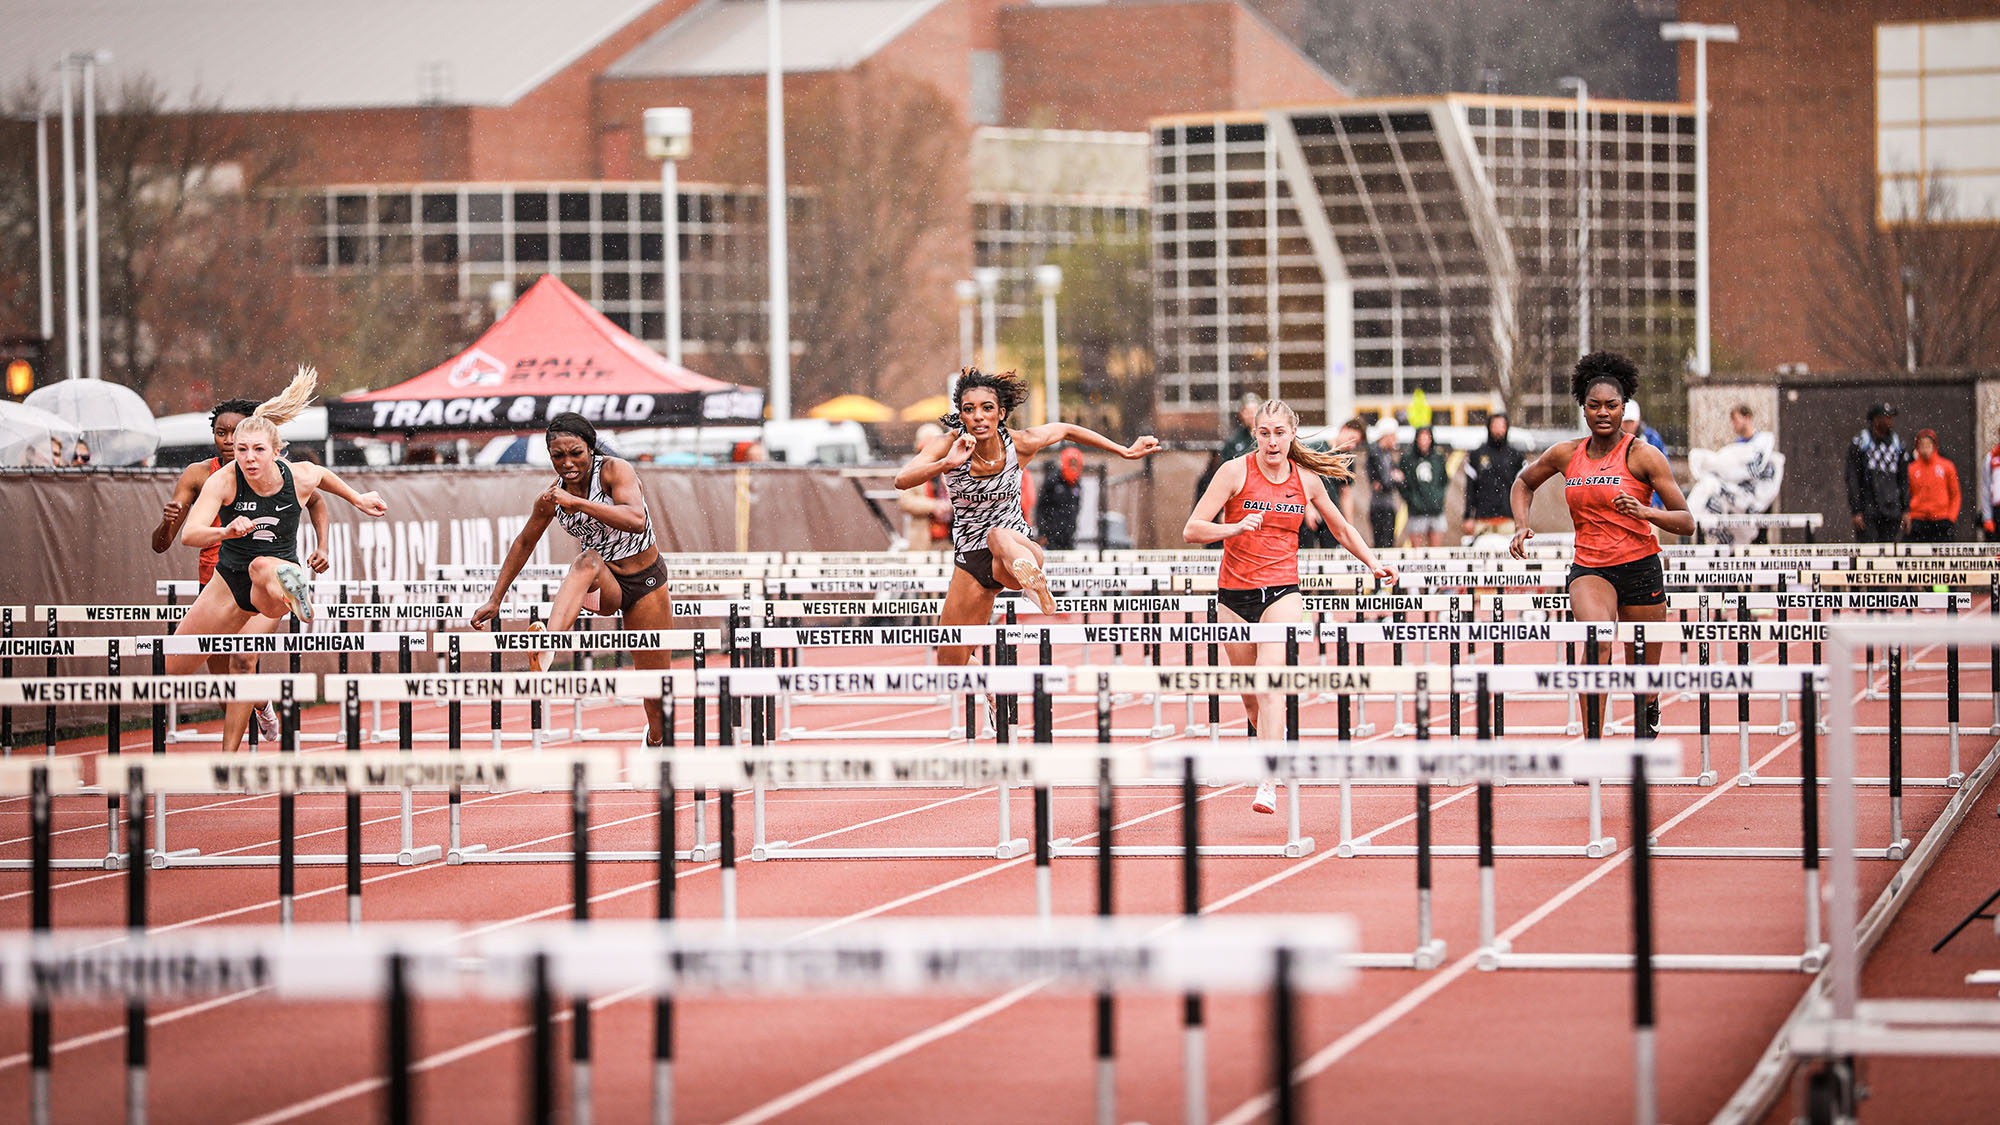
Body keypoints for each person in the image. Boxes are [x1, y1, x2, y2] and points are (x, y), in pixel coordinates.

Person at [1186, 399, 1398, 814]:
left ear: (1292, 435)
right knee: (1250, 698)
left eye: (1279, 433)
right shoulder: (1234, 472)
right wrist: (1235, 526)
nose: (1272, 441)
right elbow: (1192, 528)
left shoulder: (1307, 479)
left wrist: (1373, 563)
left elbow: (1341, 527)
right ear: (1255, 436)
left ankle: (1267, 778)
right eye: (1264, 433)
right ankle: (1276, 742)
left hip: (1283, 592)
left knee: (1269, 684)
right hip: (1233, 595)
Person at [894, 368, 1158, 669]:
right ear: (962, 416)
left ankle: (1033, 582)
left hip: (1017, 548)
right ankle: (988, 687)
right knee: (949, 662)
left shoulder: (1020, 443)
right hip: (970, 559)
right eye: (970, 410)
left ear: (1001, 413)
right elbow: (902, 480)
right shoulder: (948, 444)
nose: (978, 416)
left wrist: (1122, 450)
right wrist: (947, 462)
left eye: (987, 408)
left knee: (997, 535)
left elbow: (1066, 430)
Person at [163, 369, 389, 691]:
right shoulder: (220, 478)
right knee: (175, 670)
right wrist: (225, 532)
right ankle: (258, 706)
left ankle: (288, 590)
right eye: (239, 448)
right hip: (224, 576)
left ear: (276, 452)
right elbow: (187, 535)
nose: (247, 458)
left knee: (256, 601)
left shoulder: (295, 474)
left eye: (257, 450)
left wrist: (357, 499)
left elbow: (320, 479)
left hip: (269, 573)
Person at [1510, 352, 1693, 734]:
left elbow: (1686, 522)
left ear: (1624, 407)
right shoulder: (1565, 453)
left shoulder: (1645, 456)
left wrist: (1647, 514)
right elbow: (1523, 482)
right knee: (1596, 642)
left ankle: (1648, 707)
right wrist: (1521, 524)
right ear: (1583, 409)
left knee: (1642, 669)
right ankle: (1593, 741)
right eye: (1594, 406)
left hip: (1641, 566)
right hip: (1591, 568)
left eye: (1612, 405)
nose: (1603, 413)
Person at [472, 413, 676, 744]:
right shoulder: (552, 499)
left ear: (590, 449)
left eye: (575, 453)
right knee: (587, 560)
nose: (567, 463)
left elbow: (636, 519)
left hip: (645, 583)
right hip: (604, 583)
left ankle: (655, 741)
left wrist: (576, 501)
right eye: (558, 456)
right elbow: (524, 542)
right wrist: (496, 598)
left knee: (655, 692)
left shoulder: (614, 471)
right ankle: (549, 643)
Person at [152, 397, 331, 750]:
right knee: (219, 673)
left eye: (238, 433)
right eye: (223, 434)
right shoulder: (200, 475)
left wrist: (323, 546)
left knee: (243, 660)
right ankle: (260, 702)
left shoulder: (273, 468)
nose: (231, 441)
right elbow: (164, 543)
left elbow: (316, 498)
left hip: (262, 575)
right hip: (218, 581)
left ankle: (230, 758)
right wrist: (166, 522)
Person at [1845, 403, 1909, 543]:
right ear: (1875, 420)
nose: (1890, 421)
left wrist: (1905, 509)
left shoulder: (1897, 443)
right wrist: (1856, 510)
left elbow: (1903, 478)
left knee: (1889, 556)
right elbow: (1853, 478)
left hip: (1892, 510)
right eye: (1886, 417)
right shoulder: (1861, 443)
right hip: (1868, 510)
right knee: (1868, 555)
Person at [1300, 418, 1366, 550]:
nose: (1352, 445)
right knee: (1306, 553)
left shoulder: (1347, 459)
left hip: (1330, 512)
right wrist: (1309, 509)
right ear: (1344, 429)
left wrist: (1348, 524)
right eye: (1352, 439)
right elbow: (1300, 480)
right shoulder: (1316, 448)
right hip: (1308, 509)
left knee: (1330, 554)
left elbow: (1345, 493)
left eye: (1356, 443)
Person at [1462, 413, 1524, 540]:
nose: (1498, 430)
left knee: (1511, 556)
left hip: (1508, 519)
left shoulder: (1516, 456)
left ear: (1507, 428)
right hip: (1483, 519)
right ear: (1489, 428)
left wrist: (1522, 518)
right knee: (1481, 557)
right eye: (1495, 425)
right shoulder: (1477, 455)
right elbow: (1470, 489)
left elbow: (1523, 489)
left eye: (1502, 426)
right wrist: (1468, 517)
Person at [898, 423, 954, 552]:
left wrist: (951, 505)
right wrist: (934, 506)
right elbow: (905, 500)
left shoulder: (952, 467)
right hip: (923, 540)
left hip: (952, 539)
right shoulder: (911, 470)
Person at [1905, 429, 1960, 543]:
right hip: (1918, 519)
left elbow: (1955, 494)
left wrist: (1951, 517)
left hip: (1942, 519)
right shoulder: (1912, 469)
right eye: (1922, 445)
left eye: (1928, 444)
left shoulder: (1946, 466)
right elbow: (1906, 494)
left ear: (1934, 446)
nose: (1925, 448)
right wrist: (1909, 515)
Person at [1399, 425, 1450, 547]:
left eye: (1427, 438)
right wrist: (1412, 500)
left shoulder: (1438, 458)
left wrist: (1438, 498)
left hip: (1436, 509)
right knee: (1417, 552)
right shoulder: (1407, 459)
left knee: (1435, 552)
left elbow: (1444, 481)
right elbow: (1402, 484)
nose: (1424, 441)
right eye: (1421, 438)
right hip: (1416, 510)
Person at [1037, 446, 1085, 552]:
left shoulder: (1077, 484)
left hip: (1068, 535)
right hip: (1051, 536)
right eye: (1070, 464)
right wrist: (1042, 533)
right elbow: (1041, 508)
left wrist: (1072, 528)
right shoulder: (1052, 481)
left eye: (1075, 465)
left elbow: (1076, 508)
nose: (1073, 468)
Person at [1365, 419, 1403, 549]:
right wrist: (1394, 478)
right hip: (1380, 506)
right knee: (1382, 544)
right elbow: (1386, 481)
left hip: (1387, 505)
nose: (1396, 439)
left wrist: (1393, 479)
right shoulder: (1375, 453)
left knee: (1389, 543)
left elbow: (1397, 480)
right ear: (1386, 435)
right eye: (1394, 436)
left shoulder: (1386, 454)